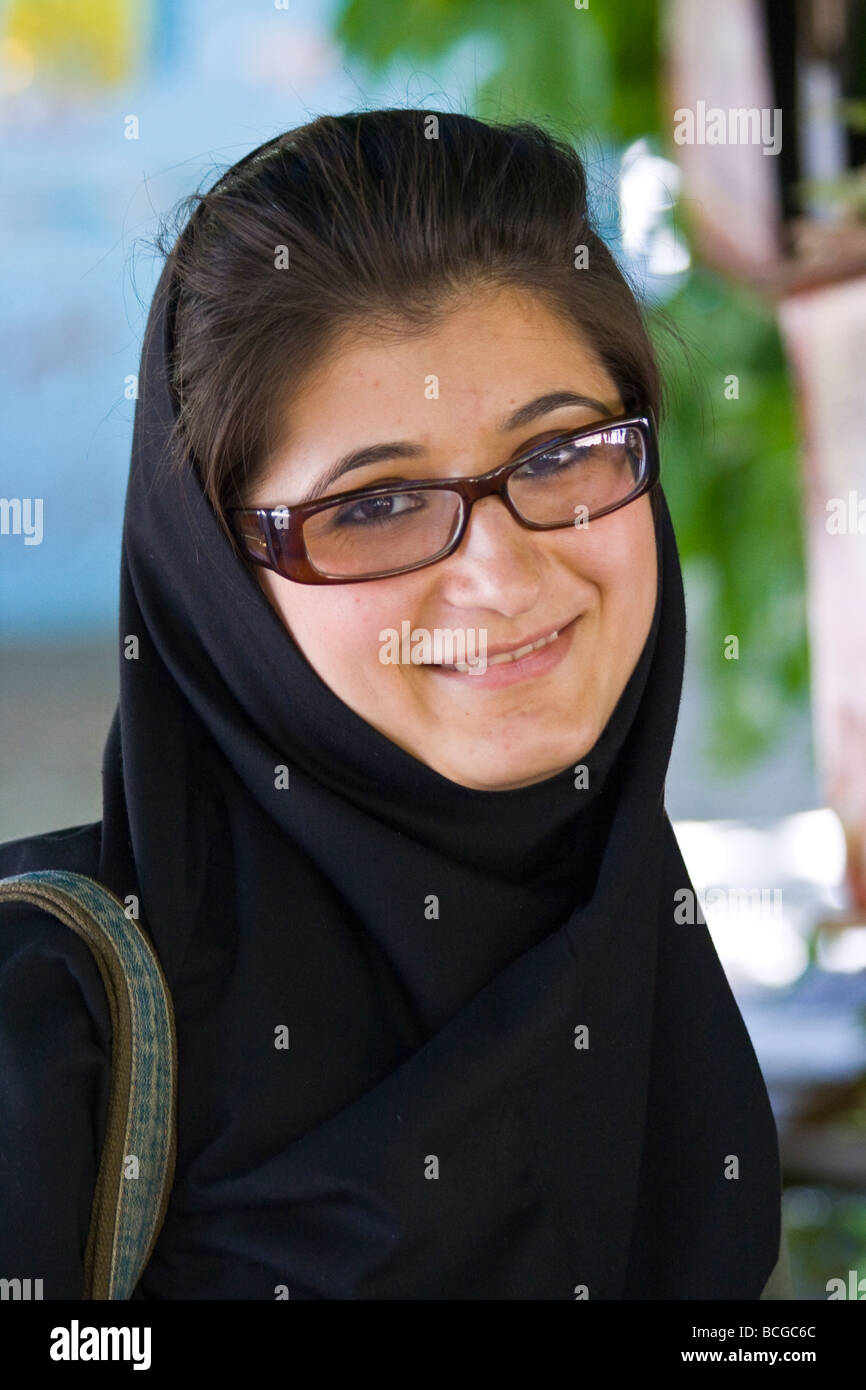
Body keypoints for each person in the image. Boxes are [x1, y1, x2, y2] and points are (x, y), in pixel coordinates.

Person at [0, 108, 788, 1299]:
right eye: (374, 505)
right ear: (217, 577)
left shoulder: (645, 976)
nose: (504, 576)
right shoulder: (39, 1038)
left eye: (560, 455)